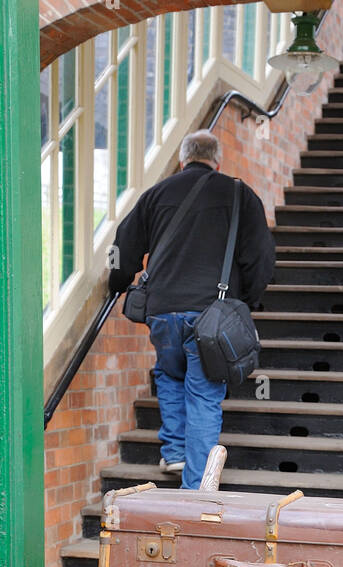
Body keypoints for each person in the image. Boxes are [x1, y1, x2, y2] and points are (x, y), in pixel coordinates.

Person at [108, 130, 275, 489]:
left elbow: (124, 245)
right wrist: (249, 303)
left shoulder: (156, 194)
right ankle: (196, 484)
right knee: (203, 392)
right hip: (212, 315)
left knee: (169, 375)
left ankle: (175, 451)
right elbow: (260, 257)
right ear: (217, 161)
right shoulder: (239, 194)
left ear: (182, 160)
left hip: (164, 310)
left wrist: (118, 283)